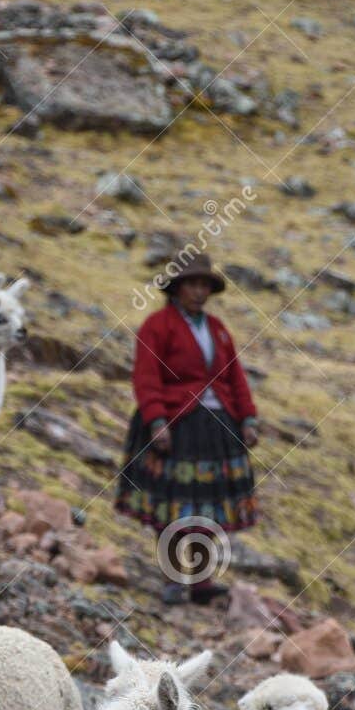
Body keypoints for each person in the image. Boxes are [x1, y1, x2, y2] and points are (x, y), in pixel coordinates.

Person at [117, 249, 259, 606]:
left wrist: (248, 418)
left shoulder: (218, 331)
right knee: (173, 507)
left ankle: (201, 581)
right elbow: (146, 376)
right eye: (192, 284)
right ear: (176, 288)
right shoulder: (157, 326)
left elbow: (235, 378)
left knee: (206, 508)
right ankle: (172, 578)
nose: (199, 292)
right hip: (176, 424)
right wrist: (157, 421)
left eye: (204, 285)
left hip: (216, 427)